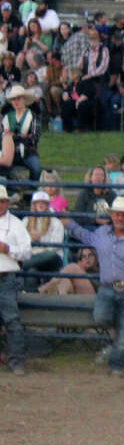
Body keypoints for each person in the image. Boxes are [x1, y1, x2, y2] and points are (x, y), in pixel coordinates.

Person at [63, 196, 124, 378]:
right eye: (116, 214)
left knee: (123, 330)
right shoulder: (102, 233)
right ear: (111, 215)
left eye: (123, 215)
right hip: (107, 287)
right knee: (101, 318)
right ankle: (115, 351)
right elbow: (83, 235)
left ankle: (116, 366)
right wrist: (68, 223)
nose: (119, 218)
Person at [0, 187, 30, 374]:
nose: (0, 204)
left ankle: (16, 362)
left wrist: (9, 249)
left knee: (12, 321)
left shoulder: (17, 224)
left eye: (2, 201)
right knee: (12, 321)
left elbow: (26, 251)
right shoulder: (16, 224)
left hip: (6, 278)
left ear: (7, 203)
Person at [0, 84, 42, 184]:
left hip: (28, 152)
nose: (15, 102)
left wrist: (12, 136)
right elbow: (2, 136)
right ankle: (10, 192)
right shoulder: (7, 117)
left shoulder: (33, 116)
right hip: (9, 154)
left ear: (24, 99)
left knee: (36, 168)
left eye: (18, 99)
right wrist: (22, 136)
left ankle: (30, 194)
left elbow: (34, 139)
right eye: (13, 99)